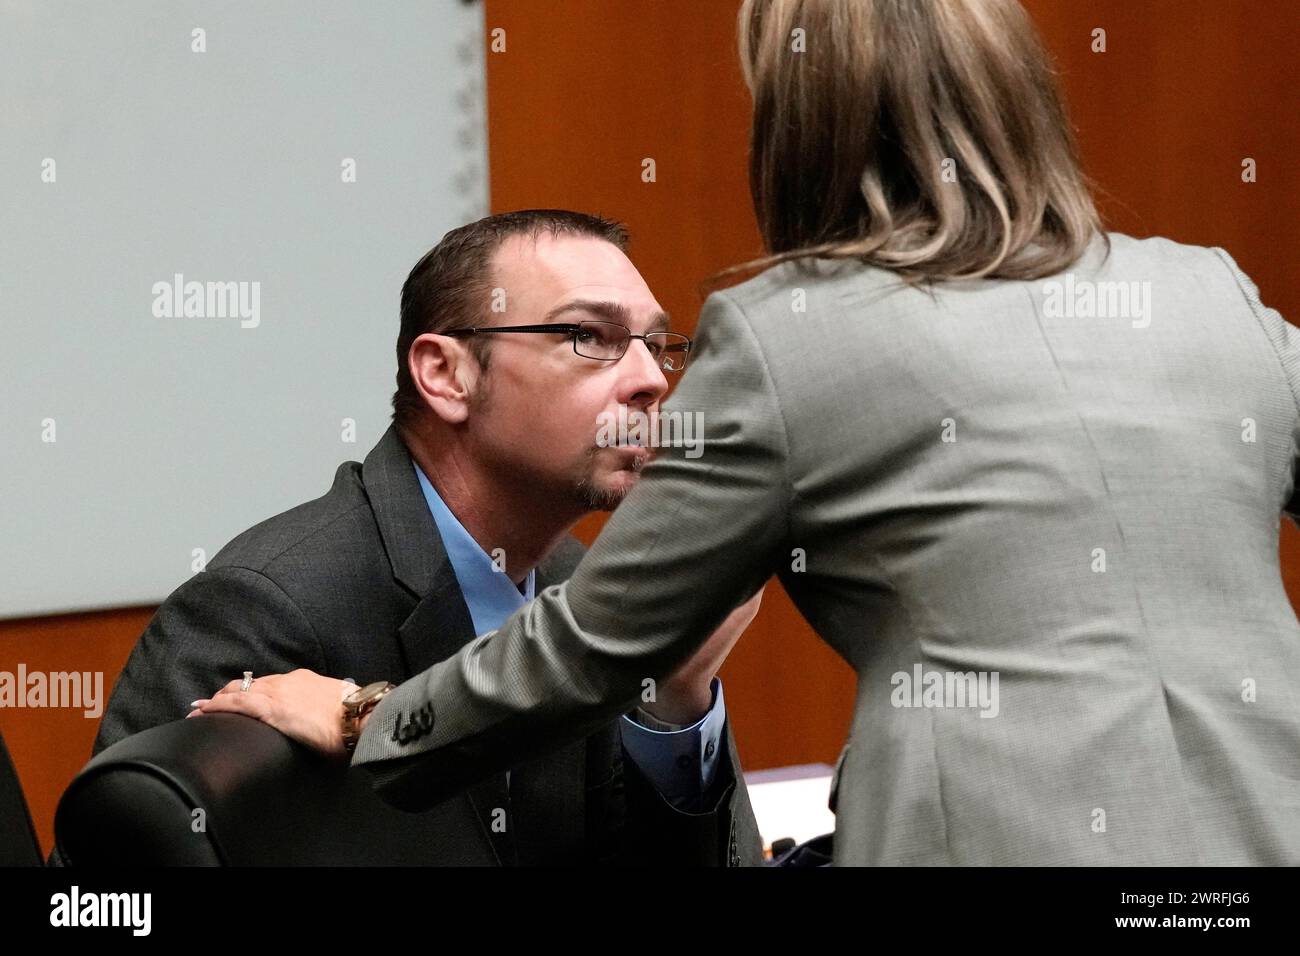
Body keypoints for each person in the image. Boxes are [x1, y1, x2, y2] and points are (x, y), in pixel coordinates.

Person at [194, 0, 1300, 865]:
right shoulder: (1212, 297)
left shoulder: (793, 335)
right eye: (585, 337)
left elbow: (584, 652)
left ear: (804, 123)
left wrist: (363, 714)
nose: (645, 377)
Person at [100, 209, 765, 866]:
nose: (651, 380)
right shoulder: (262, 610)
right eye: (590, 335)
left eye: (656, 344)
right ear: (447, 375)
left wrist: (674, 702)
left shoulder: (581, 584)